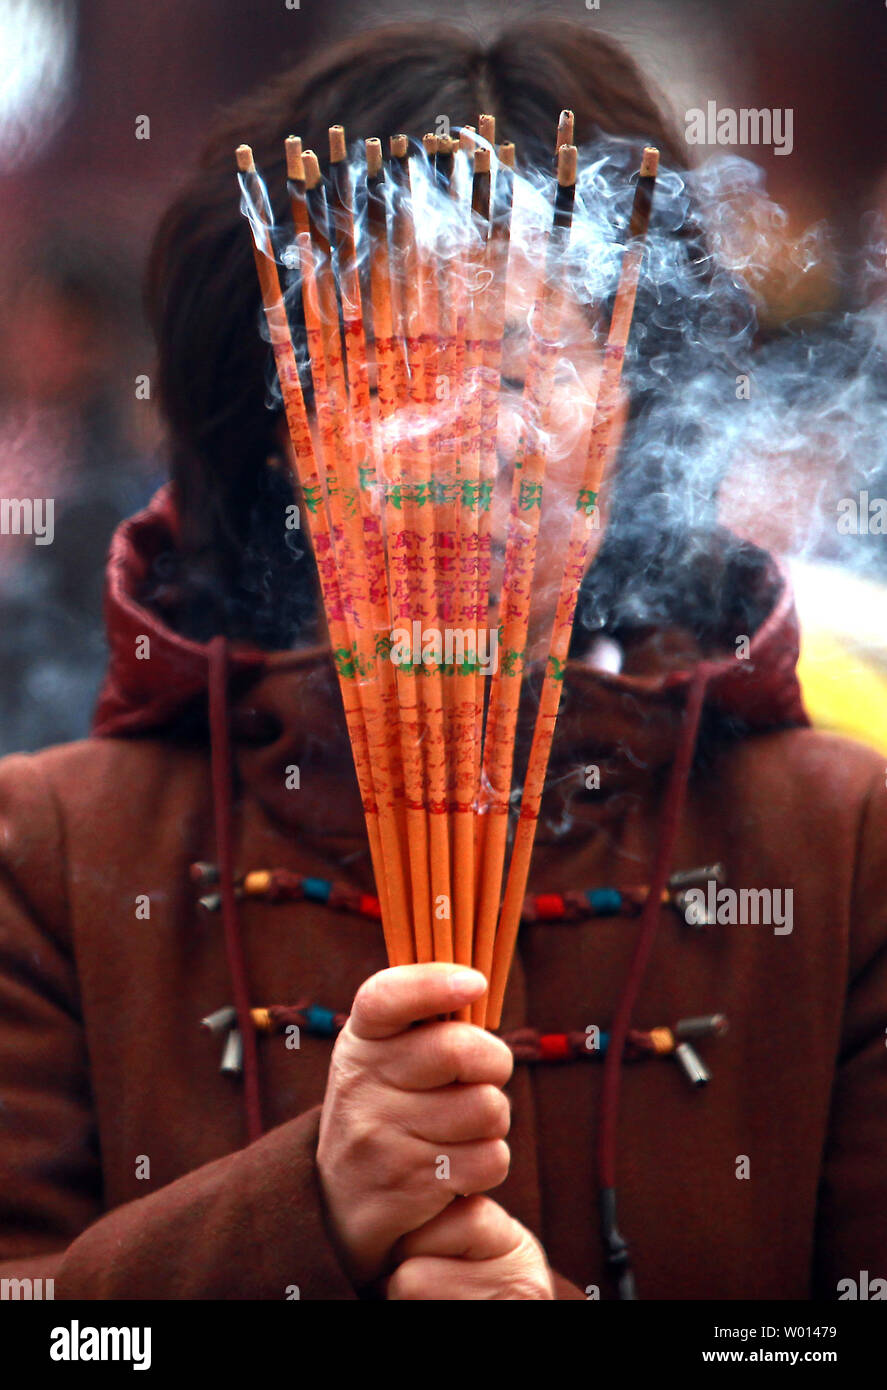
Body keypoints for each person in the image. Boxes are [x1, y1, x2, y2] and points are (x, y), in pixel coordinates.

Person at [0, 19, 884, 1301]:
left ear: (630, 400)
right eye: (397, 365)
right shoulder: (59, 854)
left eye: (529, 365)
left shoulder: (836, 847)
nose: (470, 435)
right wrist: (299, 1221)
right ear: (284, 420)